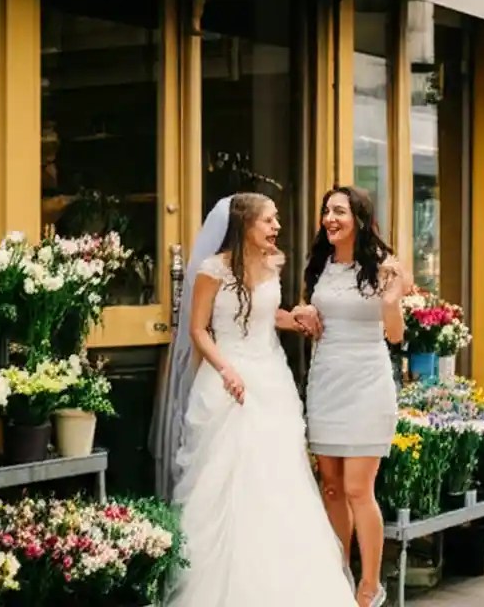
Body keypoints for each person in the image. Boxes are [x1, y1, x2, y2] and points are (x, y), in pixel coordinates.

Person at [160, 193, 355, 607]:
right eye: (269, 220)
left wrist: (297, 319)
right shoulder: (213, 270)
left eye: (276, 219)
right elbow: (198, 330)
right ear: (245, 223)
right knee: (225, 481)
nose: (276, 227)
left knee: (281, 480)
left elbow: (268, 318)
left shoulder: (272, 264)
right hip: (227, 385)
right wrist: (226, 369)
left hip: (271, 383)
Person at [290, 186, 407, 607]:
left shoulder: (386, 267)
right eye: (326, 210)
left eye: (339, 210)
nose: (329, 217)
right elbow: (314, 312)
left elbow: (394, 334)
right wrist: (304, 314)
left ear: (359, 217)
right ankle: (336, 576)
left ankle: (370, 584)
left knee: (359, 489)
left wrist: (392, 298)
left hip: (366, 381)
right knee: (332, 488)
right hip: (326, 380)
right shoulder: (320, 263)